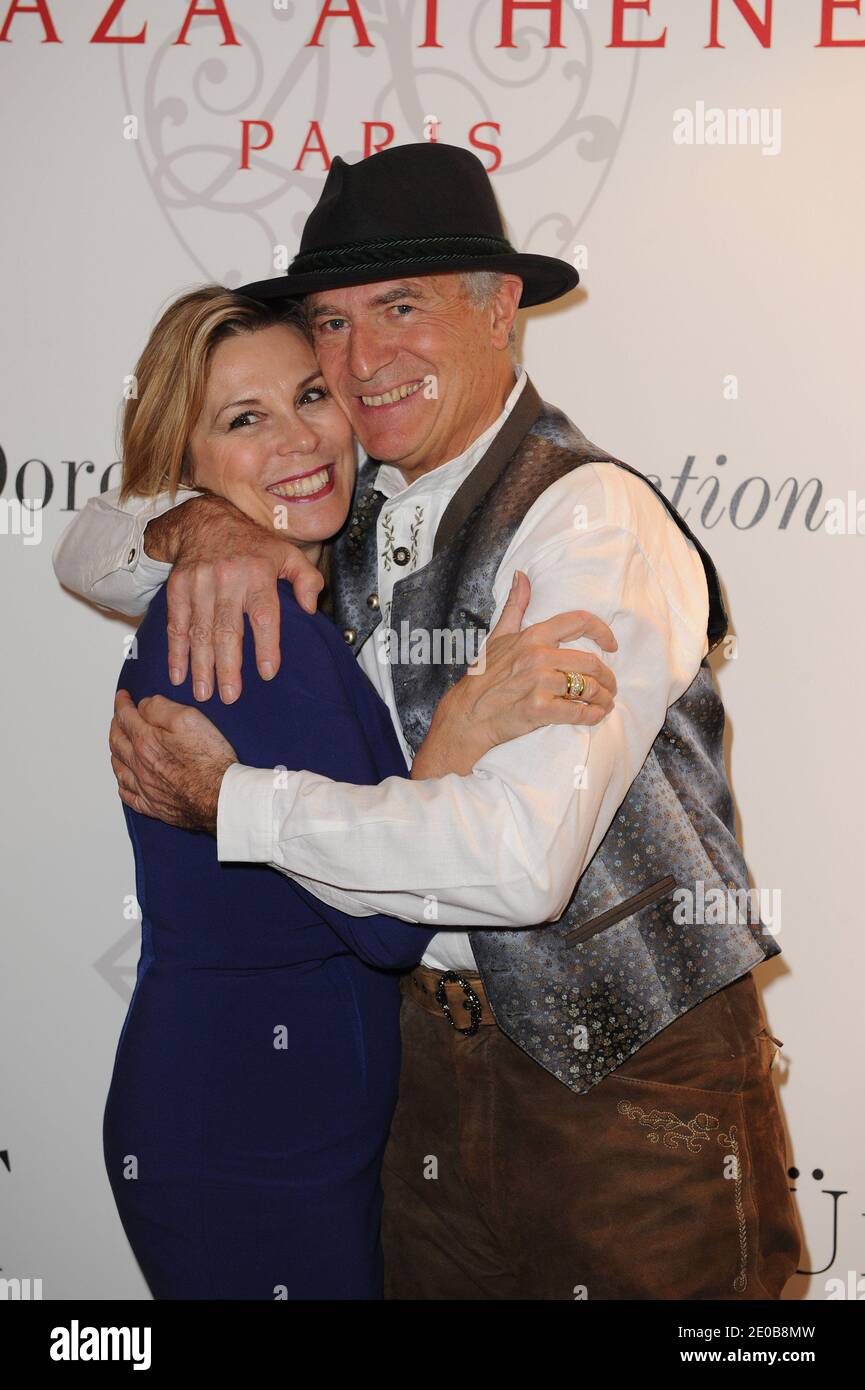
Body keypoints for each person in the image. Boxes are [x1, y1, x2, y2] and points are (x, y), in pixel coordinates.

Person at [55, 142, 801, 1300]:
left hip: (624, 1099)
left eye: (399, 307)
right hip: (408, 1097)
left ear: (499, 308)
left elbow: (518, 865)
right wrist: (199, 528)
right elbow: (90, 543)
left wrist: (232, 801)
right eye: (332, 327)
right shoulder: (317, 511)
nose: (360, 362)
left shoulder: (587, 520)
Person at [93, 286, 617, 1301]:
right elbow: (386, 930)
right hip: (248, 1144)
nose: (299, 440)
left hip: (273, 1124)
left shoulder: (285, 597)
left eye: (309, 396)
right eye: (244, 420)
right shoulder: (255, 630)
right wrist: (460, 733)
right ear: (186, 473)